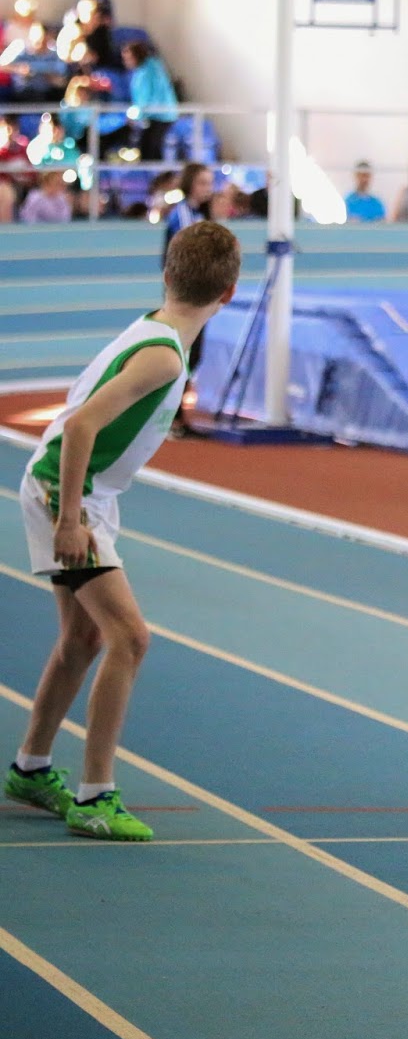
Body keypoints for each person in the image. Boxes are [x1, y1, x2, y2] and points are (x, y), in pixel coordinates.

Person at [5, 220, 240, 841]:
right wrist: (68, 518)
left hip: (81, 490)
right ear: (231, 293)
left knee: (81, 638)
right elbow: (81, 427)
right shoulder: (164, 356)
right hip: (68, 489)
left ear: (166, 274)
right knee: (129, 638)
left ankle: (30, 767)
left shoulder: (156, 330)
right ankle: (96, 795)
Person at [163, 161, 212, 435]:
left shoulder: (198, 215)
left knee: (192, 357)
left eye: (210, 182)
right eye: (203, 182)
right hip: (187, 299)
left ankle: (177, 415)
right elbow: (188, 255)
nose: (209, 188)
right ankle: (170, 417)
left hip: (198, 298)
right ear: (190, 184)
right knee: (182, 357)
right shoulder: (182, 214)